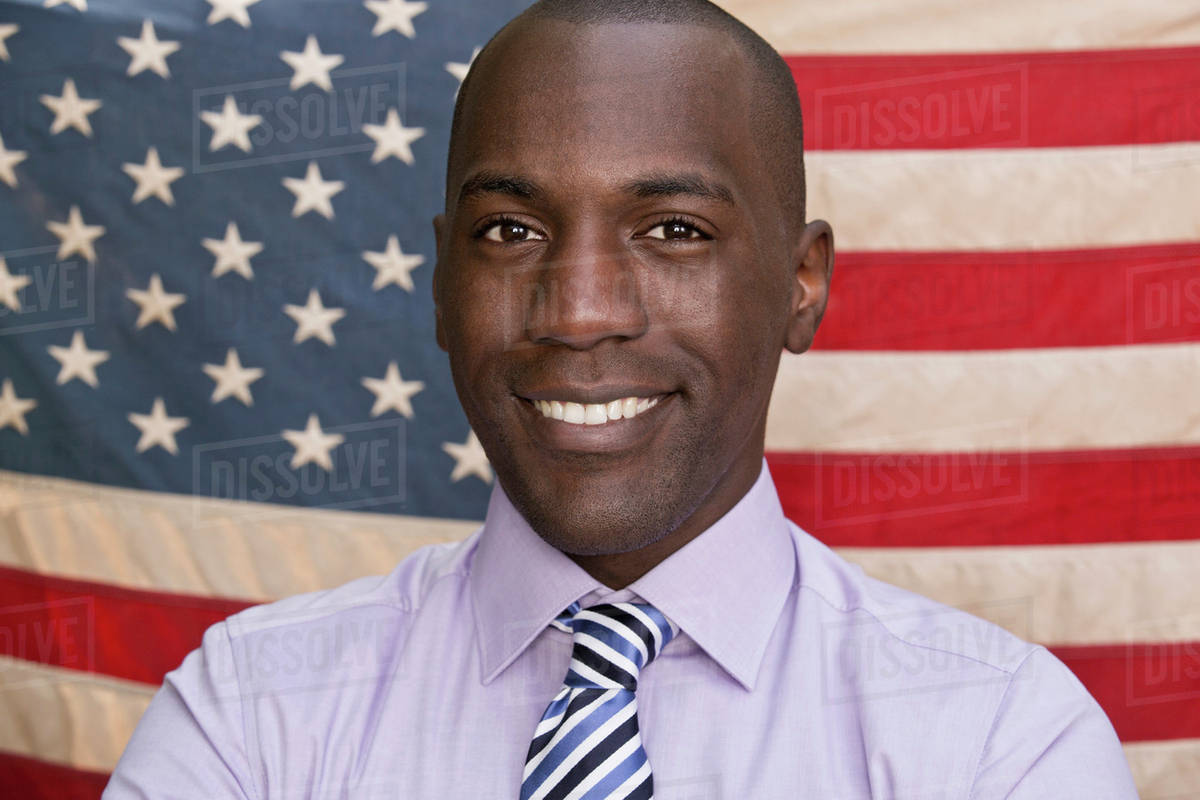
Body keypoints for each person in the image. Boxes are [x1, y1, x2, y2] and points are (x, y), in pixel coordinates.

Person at [104, 1, 1139, 797]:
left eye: (674, 229)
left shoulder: (997, 743)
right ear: (438, 283)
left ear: (802, 282)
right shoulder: (251, 716)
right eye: (510, 230)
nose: (581, 311)